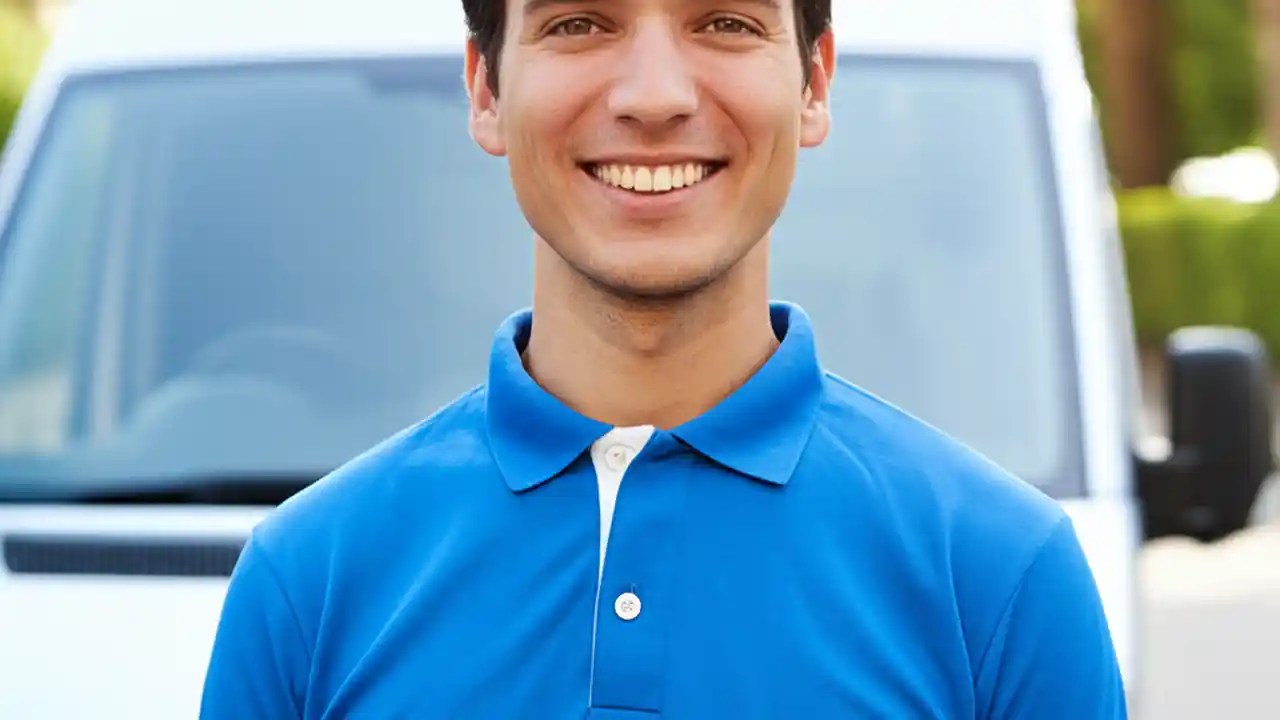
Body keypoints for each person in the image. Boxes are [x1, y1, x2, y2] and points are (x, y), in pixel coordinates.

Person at [200, 0, 1128, 717]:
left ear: (814, 82)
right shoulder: (307, 582)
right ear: (485, 89)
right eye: (580, 22)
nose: (654, 95)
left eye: (723, 21)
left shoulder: (1002, 578)